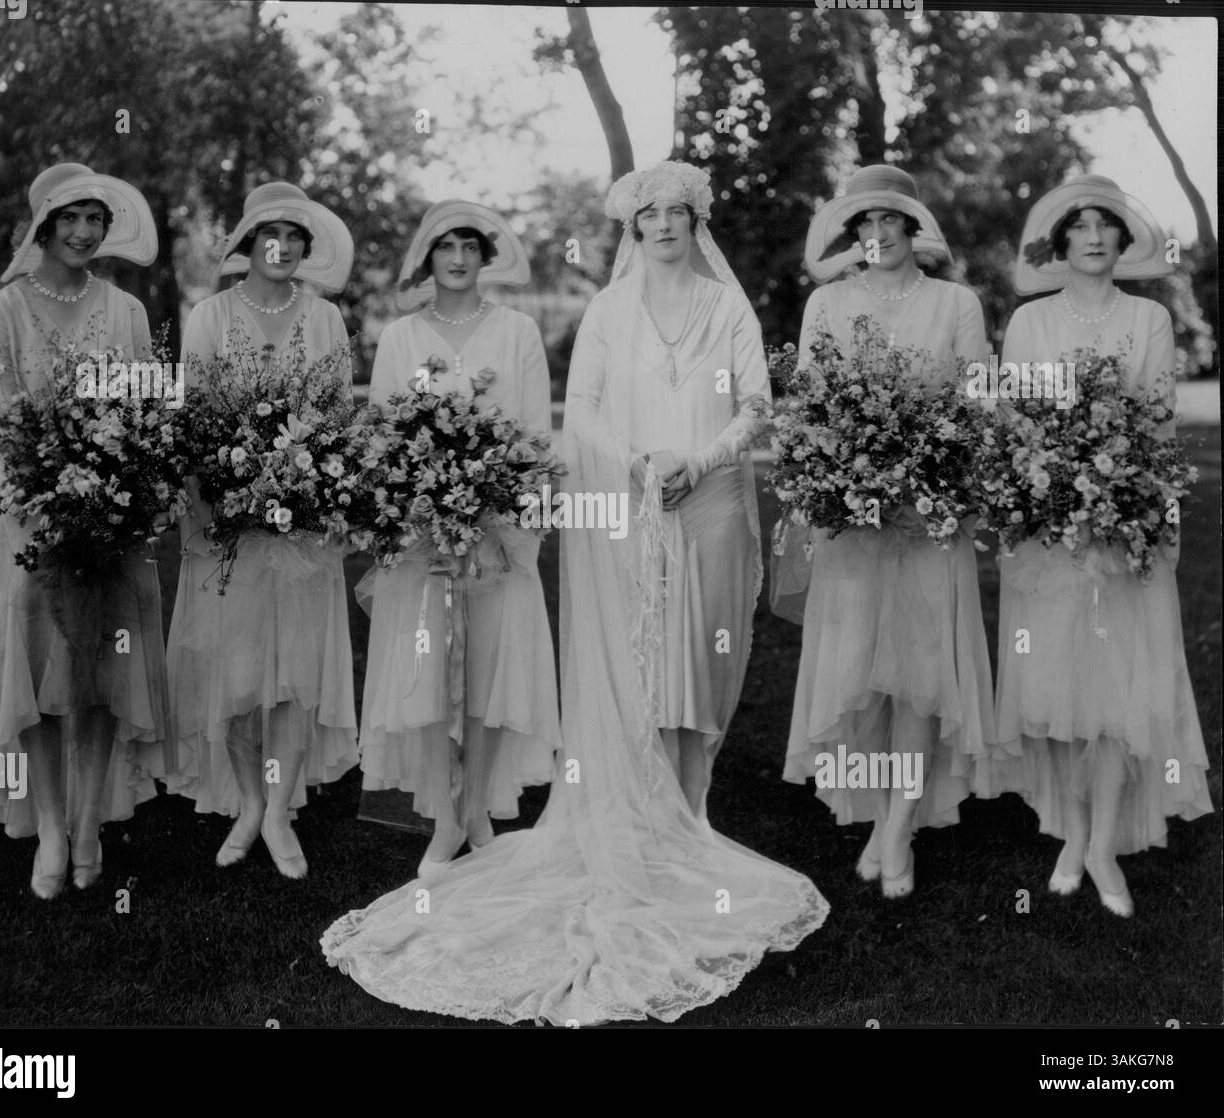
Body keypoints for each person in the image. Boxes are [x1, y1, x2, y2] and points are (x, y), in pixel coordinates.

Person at [322, 163, 827, 1025]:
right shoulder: (607, 309)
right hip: (623, 505)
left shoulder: (726, 305)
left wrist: (698, 462)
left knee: (704, 656)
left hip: (708, 505)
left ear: (696, 220)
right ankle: (634, 813)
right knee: (632, 654)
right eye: (649, 213)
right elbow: (581, 408)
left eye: (678, 211)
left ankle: (691, 819)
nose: (663, 224)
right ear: (631, 226)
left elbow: (757, 404)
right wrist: (634, 463)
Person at [993, 175, 1213, 916]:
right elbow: (1015, 418)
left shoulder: (1148, 317)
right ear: (1062, 244)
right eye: (1078, 227)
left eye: (1104, 226)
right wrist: (1051, 487)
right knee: (1053, 682)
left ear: (1122, 241)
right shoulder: (1028, 323)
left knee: (1122, 684)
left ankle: (1102, 847)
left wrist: (1123, 501)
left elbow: (1154, 420)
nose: (1092, 237)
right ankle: (1073, 830)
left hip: (1127, 520)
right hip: (1047, 529)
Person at [779, 165, 994, 898]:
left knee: (920, 674)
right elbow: (809, 405)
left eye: (890, 222)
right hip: (854, 520)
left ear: (913, 229)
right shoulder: (827, 303)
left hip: (930, 516)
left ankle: (898, 826)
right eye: (864, 225)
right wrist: (847, 482)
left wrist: (933, 483)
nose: (876, 236)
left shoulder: (954, 302)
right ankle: (878, 808)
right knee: (864, 672)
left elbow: (977, 403)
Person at [0, 162, 168, 898]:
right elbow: (6, 425)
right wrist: (59, 493)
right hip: (33, 518)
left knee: (104, 676)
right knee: (37, 676)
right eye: (71, 218)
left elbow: (145, 418)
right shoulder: (0, 312)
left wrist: (117, 490)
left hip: (111, 521)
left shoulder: (126, 312)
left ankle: (89, 824)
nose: (84, 232)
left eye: (96, 220)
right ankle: (50, 827)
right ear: (43, 225)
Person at [355, 200, 560, 880]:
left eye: (473, 245)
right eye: (447, 244)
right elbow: (386, 438)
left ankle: (477, 810)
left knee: (491, 670)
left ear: (487, 257)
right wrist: (427, 511)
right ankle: (444, 818)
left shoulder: (518, 331)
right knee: (434, 672)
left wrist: (499, 512)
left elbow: (532, 432)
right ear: (427, 255)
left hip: (496, 532)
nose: (460, 257)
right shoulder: (401, 337)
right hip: (426, 540)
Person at [166, 183, 358, 879]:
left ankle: (280, 810)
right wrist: (202, 510)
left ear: (306, 247)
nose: (281, 247)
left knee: (296, 675)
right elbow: (191, 425)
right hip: (231, 525)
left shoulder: (327, 320)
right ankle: (248, 802)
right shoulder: (211, 315)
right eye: (268, 233)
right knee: (240, 674)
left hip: (302, 526)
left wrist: (316, 488)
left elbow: (336, 423)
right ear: (248, 243)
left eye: (295, 235)